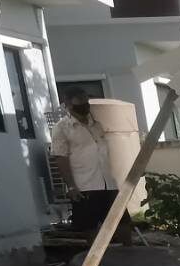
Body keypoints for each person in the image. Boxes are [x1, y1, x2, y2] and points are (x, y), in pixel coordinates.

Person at [50, 92, 133, 245]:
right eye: (78, 104)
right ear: (68, 106)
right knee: (90, 228)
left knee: (123, 223)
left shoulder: (97, 125)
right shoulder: (62, 128)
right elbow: (60, 157)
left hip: (108, 183)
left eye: (86, 103)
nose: (84, 107)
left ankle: (129, 256)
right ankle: (97, 263)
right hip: (85, 186)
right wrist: (71, 186)